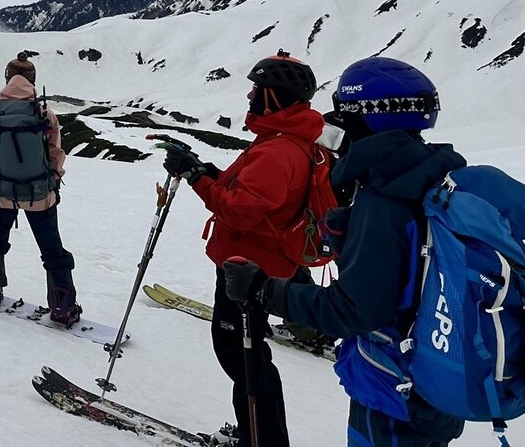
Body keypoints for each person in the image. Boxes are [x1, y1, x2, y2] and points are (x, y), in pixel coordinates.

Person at [223, 58, 468, 447]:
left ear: (364, 117)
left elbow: (352, 310)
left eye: (344, 113)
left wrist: (264, 290)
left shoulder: (385, 201)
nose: (335, 124)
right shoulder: (433, 179)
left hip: (393, 388)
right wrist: (349, 240)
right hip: (439, 374)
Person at [158, 50, 323, 447]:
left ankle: (261, 439)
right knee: (247, 356)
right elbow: (247, 195)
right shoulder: (283, 140)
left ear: (274, 96)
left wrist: (198, 179)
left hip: (250, 267)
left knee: (243, 356)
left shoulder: (278, 150)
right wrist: (203, 171)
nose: (250, 96)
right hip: (260, 259)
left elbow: (241, 211)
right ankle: (259, 434)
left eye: (257, 89)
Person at [0, 52, 78, 324]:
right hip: (39, 195)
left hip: (1, 192)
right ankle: (62, 306)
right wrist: (55, 181)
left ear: (7, 79)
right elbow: (55, 153)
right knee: (52, 250)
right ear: (32, 81)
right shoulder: (45, 113)